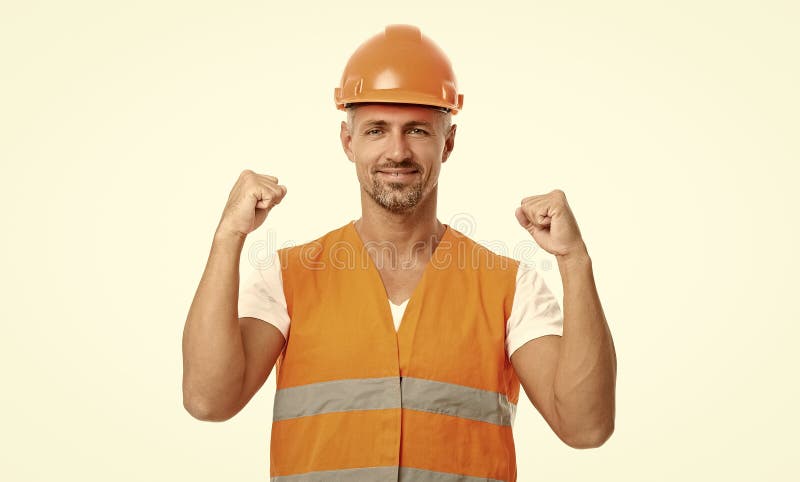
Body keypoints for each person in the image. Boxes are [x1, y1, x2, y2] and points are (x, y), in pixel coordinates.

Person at [182, 24, 617, 481]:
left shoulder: (509, 285)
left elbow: (586, 428)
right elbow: (209, 400)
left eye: (417, 130)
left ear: (447, 142)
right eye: (375, 130)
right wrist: (228, 237)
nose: (397, 151)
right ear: (348, 142)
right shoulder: (288, 277)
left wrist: (574, 260)